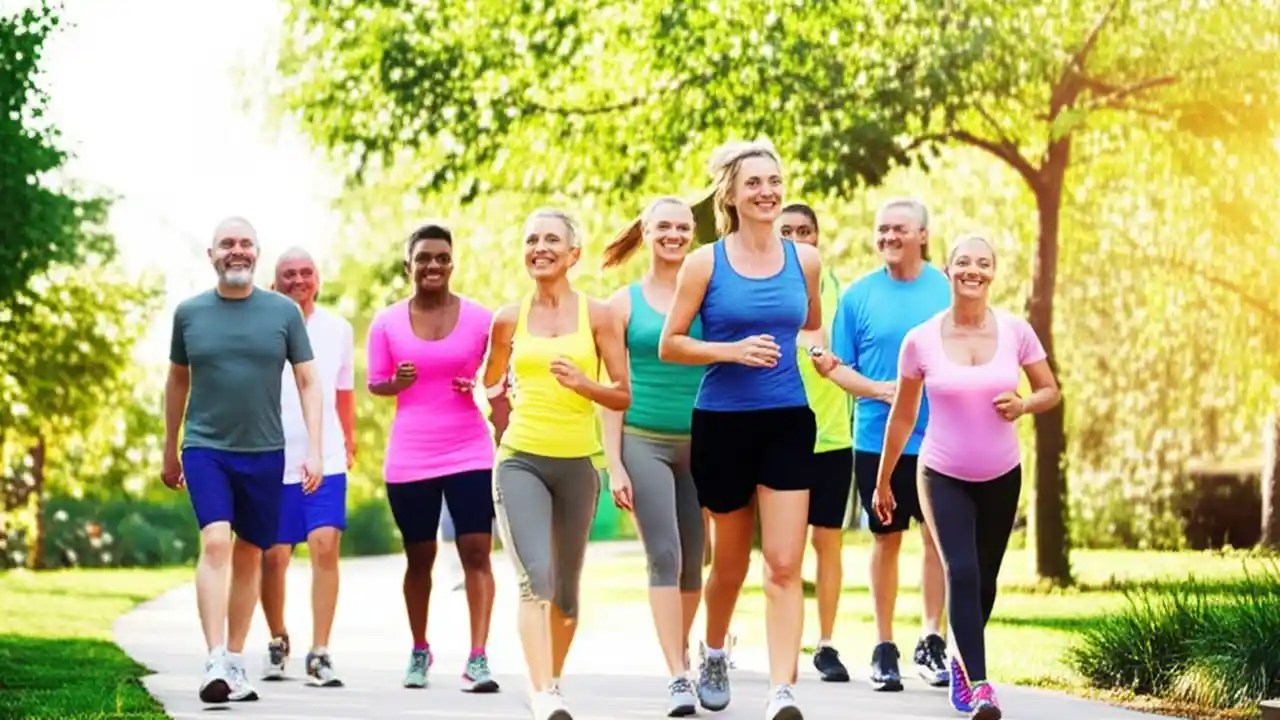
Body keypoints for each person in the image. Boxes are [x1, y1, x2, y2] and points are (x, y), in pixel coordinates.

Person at [659, 139, 822, 720]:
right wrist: (729, 350)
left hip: (786, 420)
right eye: (754, 182)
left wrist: (825, 360)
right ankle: (712, 651)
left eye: (775, 181)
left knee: (783, 562)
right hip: (722, 424)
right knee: (729, 562)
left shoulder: (805, 260)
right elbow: (670, 343)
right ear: (730, 192)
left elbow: (809, 323)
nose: (768, 192)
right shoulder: (705, 262)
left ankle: (782, 688)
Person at [866, 234, 1059, 720]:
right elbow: (904, 417)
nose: (973, 270)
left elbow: (1049, 390)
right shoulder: (921, 340)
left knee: (985, 580)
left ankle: (958, 656)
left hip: (1001, 474)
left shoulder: (1016, 332)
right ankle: (980, 685)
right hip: (942, 473)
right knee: (963, 570)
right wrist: (884, 479)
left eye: (983, 263)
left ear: (993, 273)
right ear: (948, 270)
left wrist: (1023, 404)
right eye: (963, 262)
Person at [161, 217, 323, 705]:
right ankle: (213, 656)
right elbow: (176, 383)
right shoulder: (189, 314)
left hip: (265, 451)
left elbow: (309, 382)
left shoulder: (283, 312)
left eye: (245, 244)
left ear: (257, 253)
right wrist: (170, 447)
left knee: (252, 551)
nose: (237, 251)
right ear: (211, 255)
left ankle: (234, 658)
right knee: (216, 544)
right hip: (207, 447)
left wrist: (314, 448)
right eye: (227, 244)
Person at [481, 208, 630, 720]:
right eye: (531, 239)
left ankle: (554, 680)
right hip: (520, 459)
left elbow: (622, 395)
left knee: (566, 588)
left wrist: (583, 386)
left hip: (577, 465)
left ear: (573, 254)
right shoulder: (507, 318)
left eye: (551, 240)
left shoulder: (600, 315)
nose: (539, 247)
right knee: (534, 579)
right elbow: (490, 383)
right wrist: (497, 406)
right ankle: (542, 691)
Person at [366, 223, 505, 692]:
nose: (433, 266)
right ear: (409, 265)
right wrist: (396, 384)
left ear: (452, 263)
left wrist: (483, 385)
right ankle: (420, 648)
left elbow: (501, 373)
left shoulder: (482, 319)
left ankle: (478, 657)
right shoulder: (386, 323)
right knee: (420, 556)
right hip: (411, 453)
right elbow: (376, 382)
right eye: (424, 258)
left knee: (476, 552)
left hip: (469, 446)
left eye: (442, 258)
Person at [824, 198, 951, 690]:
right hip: (877, 439)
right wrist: (880, 390)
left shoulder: (946, 290)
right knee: (885, 539)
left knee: (936, 540)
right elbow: (838, 367)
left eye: (899, 229)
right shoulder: (857, 297)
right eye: (881, 230)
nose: (889, 237)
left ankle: (932, 639)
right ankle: (883, 647)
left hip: (941, 435)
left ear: (922, 234)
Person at [600, 197, 706, 716]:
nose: (673, 234)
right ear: (645, 233)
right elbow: (613, 388)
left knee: (695, 560)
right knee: (664, 553)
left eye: (682, 227)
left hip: (703, 445)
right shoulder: (623, 304)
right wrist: (614, 461)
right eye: (663, 226)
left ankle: (683, 652)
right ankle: (677, 674)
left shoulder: (708, 294)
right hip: (644, 440)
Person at [259, 247, 356, 688]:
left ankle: (320, 651)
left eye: (306, 272)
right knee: (274, 557)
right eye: (288, 274)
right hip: (271, 457)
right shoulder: (261, 325)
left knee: (324, 544)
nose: (299, 279)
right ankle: (278, 638)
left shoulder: (338, 329)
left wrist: (349, 440)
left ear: (318, 278)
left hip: (326, 454)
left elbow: (343, 392)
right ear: (274, 282)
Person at [776, 204, 854, 682]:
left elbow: (841, 347)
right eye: (788, 231)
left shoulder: (837, 288)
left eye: (806, 231)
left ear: (819, 238)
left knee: (828, 541)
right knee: (779, 552)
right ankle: (754, 641)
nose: (798, 237)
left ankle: (825, 644)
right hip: (777, 431)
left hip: (832, 437)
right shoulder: (762, 285)